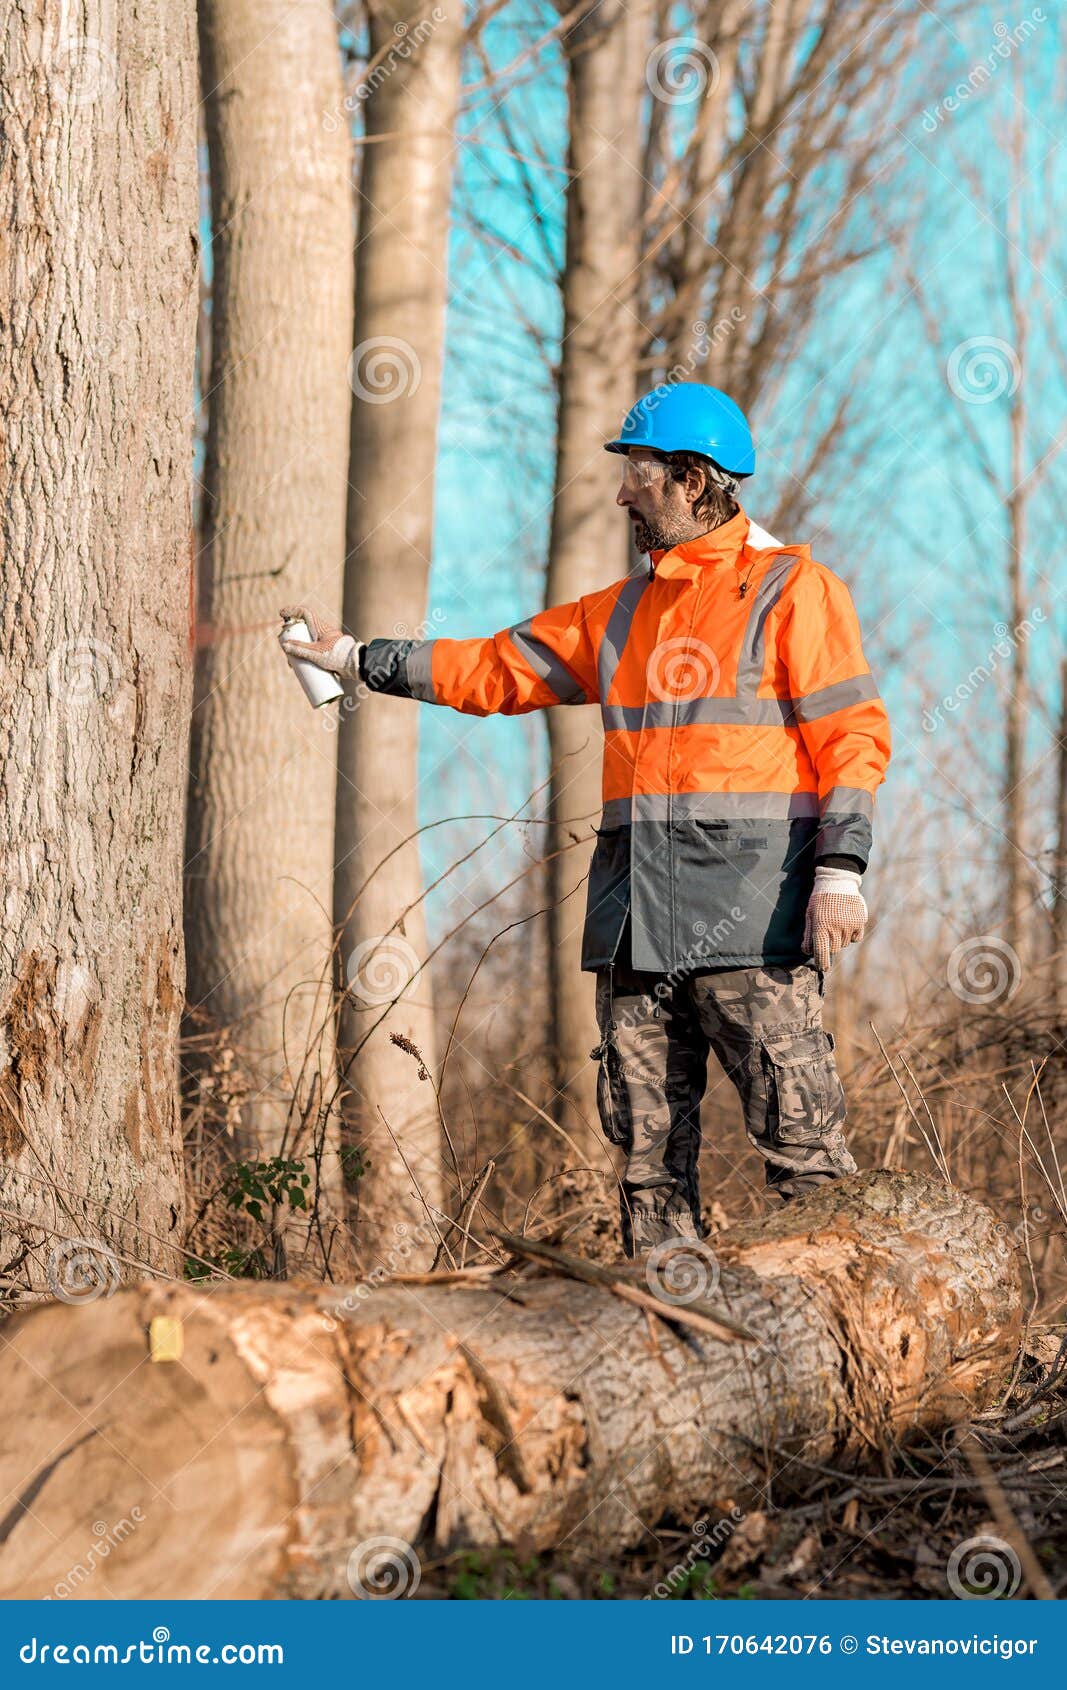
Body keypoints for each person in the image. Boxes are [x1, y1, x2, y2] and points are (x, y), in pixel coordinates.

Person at [281, 382, 891, 1256]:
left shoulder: (792, 591)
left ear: (692, 480)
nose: (621, 495)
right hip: (634, 935)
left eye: (637, 476)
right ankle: (667, 1350)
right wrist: (355, 659)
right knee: (647, 1172)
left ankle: (842, 1359)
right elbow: (491, 667)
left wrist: (841, 870)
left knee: (806, 1163)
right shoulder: (618, 613)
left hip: (755, 929)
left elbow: (853, 736)